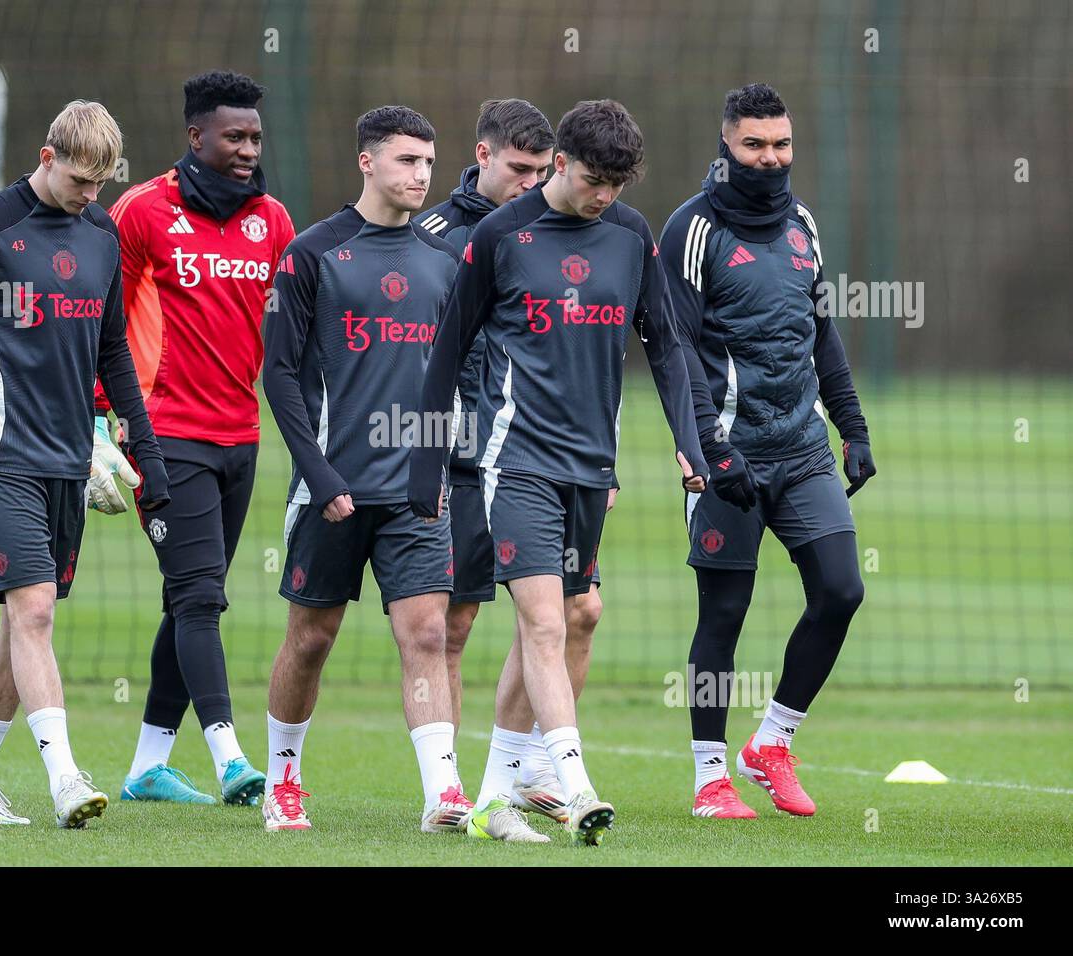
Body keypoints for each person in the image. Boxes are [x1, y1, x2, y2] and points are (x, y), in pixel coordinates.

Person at [409, 100, 709, 845]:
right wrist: (425, 460)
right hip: (515, 463)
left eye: (619, 182)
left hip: (590, 467)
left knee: (580, 615)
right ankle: (573, 784)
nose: (606, 195)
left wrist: (689, 440)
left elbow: (666, 345)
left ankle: (490, 797)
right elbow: (446, 350)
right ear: (562, 162)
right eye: (596, 179)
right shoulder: (500, 236)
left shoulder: (631, 234)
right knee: (541, 620)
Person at [0, 100, 170, 828]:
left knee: (18, 626)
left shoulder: (102, 232)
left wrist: (141, 446)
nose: (93, 195)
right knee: (35, 610)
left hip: (70, 462)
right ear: (48, 157)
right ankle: (64, 778)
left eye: (105, 183)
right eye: (83, 180)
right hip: (3, 455)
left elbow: (114, 349)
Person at [657, 83, 875, 820]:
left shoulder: (804, 222)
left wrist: (854, 426)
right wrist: (711, 453)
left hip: (802, 446)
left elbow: (823, 333)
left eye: (781, 144)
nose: (770, 157)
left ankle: (771, 744)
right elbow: (676, 349)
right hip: (729, 453)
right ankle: (710, 777)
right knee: (726, 611)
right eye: (754, 144)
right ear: (727, 145)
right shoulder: (691, 229)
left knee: (843, 590)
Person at [260, 106, 471, 833]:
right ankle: (281, 781)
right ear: (367, 162)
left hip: (415, 492)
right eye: (406, 161)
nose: (420, 176)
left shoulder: (447, 263)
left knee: (427, 634)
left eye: (427, 163)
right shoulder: (314, 252)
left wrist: (436, 466)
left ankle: (443, 793)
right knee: (311, 639)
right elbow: (279, 374)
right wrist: (317, 475)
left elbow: (452, 379)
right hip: (332, 491)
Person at [90, 70, 295, 807]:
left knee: (187, 602)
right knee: (201, 597)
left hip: (241, 439)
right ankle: (232, 758)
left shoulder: (271, 218)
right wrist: (98, 417)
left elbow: (291, 329)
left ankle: (148, 766)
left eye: (256, 138)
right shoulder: (141, 210)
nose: (248, 149)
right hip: (163, 437)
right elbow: (101, 321)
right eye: (234, 136)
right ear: (195, 137)